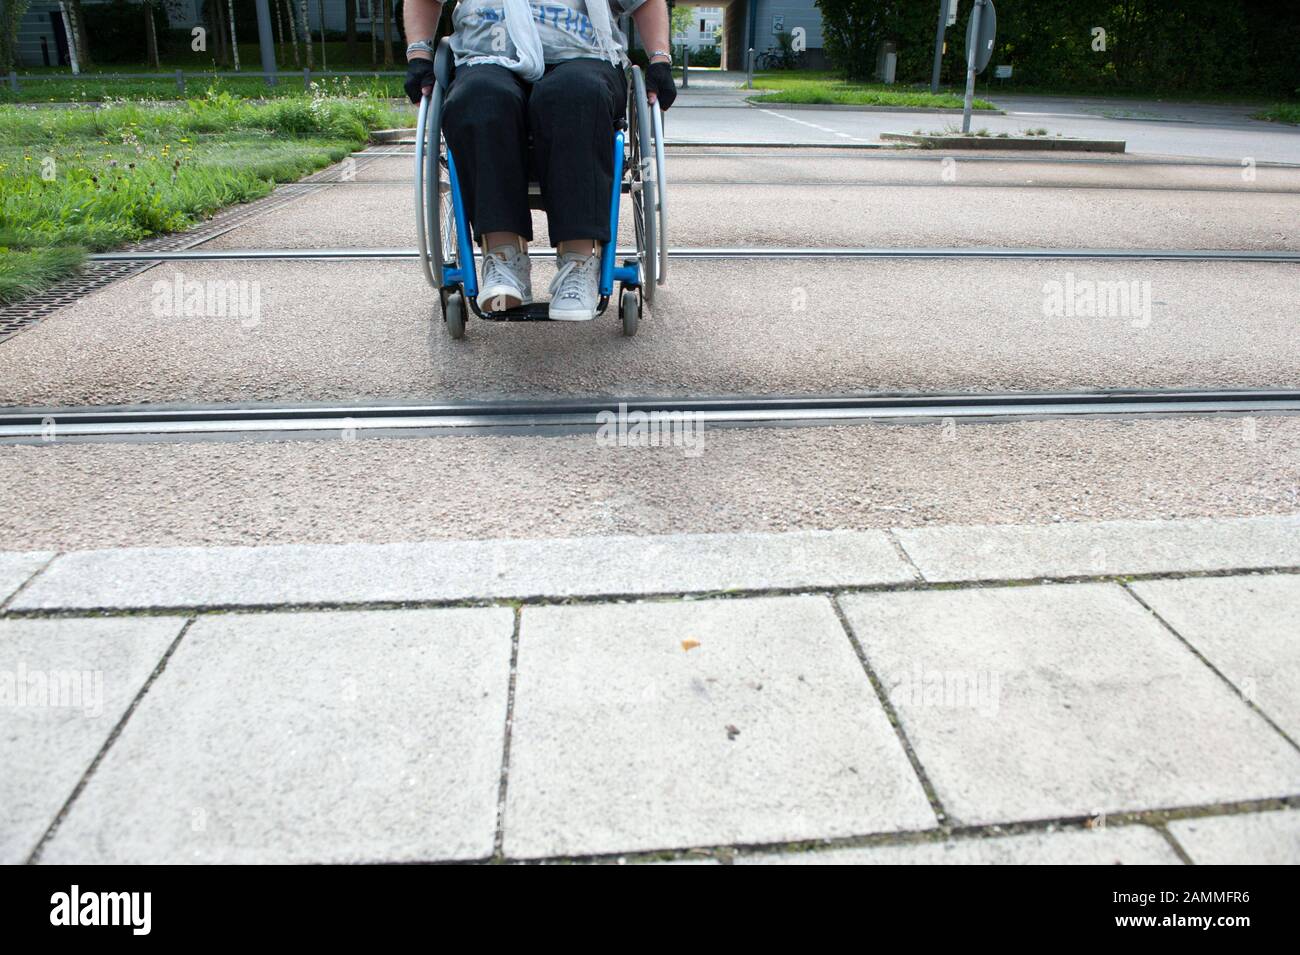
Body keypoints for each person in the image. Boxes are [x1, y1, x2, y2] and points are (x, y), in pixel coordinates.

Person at [404, 0, 677, 320]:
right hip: (487, 56)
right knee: (480, 97)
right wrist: (419, 55)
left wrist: (659, 60)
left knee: (575, 94)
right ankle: (504, 260)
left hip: (584, 55)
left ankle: (579, 263)